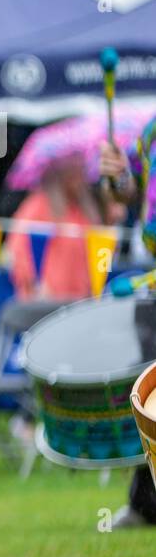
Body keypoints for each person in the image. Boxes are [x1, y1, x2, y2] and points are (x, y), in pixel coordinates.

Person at [101, 113, 156, 528]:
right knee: (149, 392)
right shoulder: (152, 129)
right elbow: (127, 194)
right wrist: (117, 178)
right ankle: (146, 502)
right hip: (152, 275)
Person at [6, 154, 98, 301]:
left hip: (79, 299)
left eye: (82, 167)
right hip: (44, 300)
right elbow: (17, 248)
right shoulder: (37, 205)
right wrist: (32, 282)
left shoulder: (84, 211)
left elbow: (99, 251)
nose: (80, 173)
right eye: (74, 167)